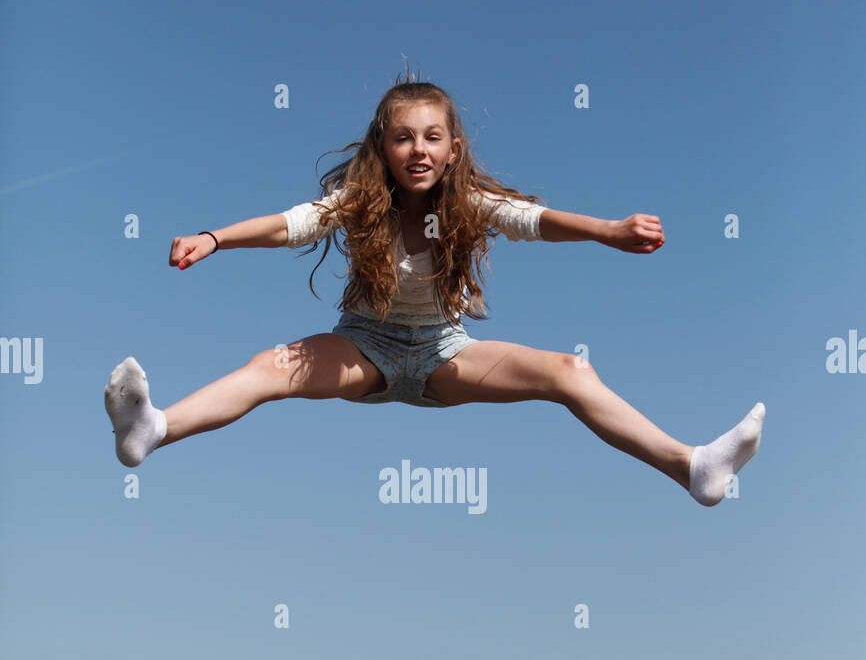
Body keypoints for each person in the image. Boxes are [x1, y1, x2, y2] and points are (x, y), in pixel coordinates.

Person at [105, 72, 764, 506]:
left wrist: (607, 230)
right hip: (365, 350)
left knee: (569, 371)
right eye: (403, 138)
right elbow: (289, 225)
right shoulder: (359, 200)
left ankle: (692, 468)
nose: (417, 149)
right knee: (267, 369)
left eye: (432, 137)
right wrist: (213, 238)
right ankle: (154, 429)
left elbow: (533, 220)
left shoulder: (469, 201)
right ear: (383, 147)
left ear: (452, 148)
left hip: (446, 354)